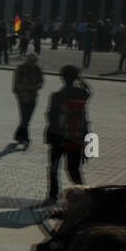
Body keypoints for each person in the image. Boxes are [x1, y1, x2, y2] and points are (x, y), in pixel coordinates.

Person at [44, 64, 91, 204]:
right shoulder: (82, 94)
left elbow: (50, 116)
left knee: (54, 167)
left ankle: (53, 194)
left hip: (58, 137)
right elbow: (89, 90)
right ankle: (85, 194)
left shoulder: (57, 96)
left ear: (63, 78)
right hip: (76, 137)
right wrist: (80, 79)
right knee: (74, 170)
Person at [12, 53, 43, 148]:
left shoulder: (37, 69)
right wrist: (27, 87)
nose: (33, 63)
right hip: (23, 97)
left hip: (33, 97)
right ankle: (25, 138)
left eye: (34, 61)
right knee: (25, 118)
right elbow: (16, 83)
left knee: (27, 119)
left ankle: (18, 136)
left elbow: (41, 82)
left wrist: (36, 86)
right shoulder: (20, 68)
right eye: (31, 61)